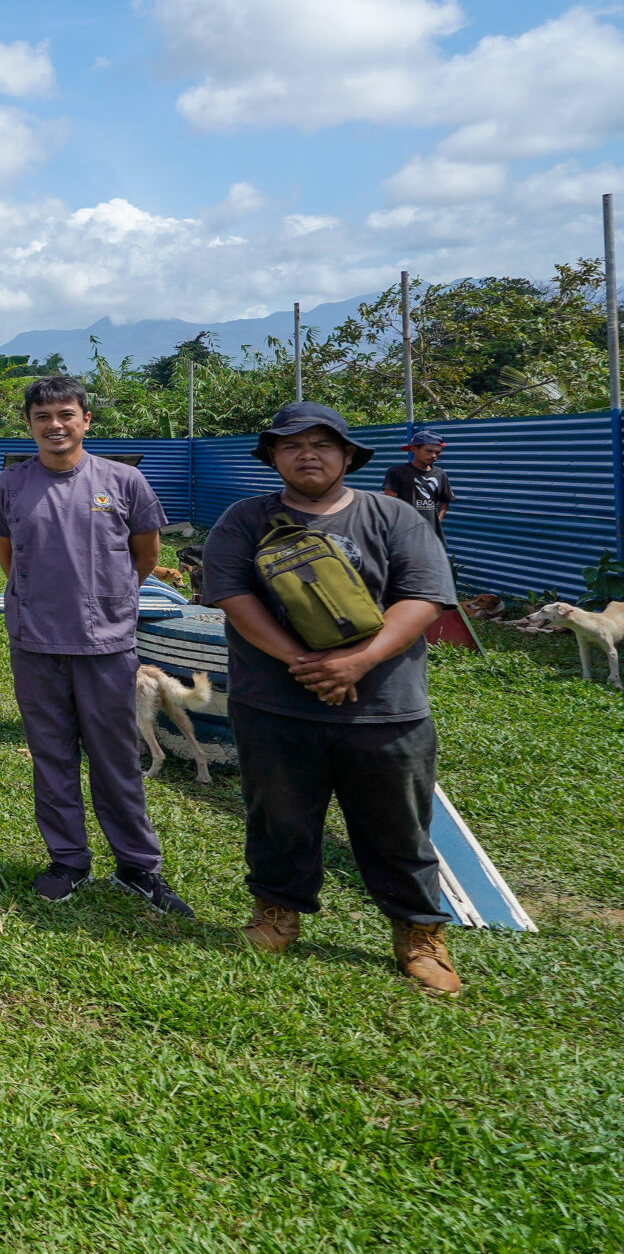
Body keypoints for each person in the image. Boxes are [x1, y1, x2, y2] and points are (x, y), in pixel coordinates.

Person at [203, 402, 463, 993]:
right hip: (274, 703)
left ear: (347, 456)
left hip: (384, 706)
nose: (307, 455)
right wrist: (301, 661)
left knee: (398, 826)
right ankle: (277, 912)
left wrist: (360, 660)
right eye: (291, 445)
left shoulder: (393, 516)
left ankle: (418, 932)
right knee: (278, 817)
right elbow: (233, 597)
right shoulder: (245, 520)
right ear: (273, 457)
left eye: (321, 444)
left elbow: (424, 596)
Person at [0, 376, 190, 915]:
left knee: (115, 757)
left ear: (86, 420)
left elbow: (146, 557)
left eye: (66, 414)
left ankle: (137, 867)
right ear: (29, 424)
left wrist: (106, 601)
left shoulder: (123, 481)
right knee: (52, 756)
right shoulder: (9, 486)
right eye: (43, 416)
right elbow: (9, 558)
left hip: (106, 645)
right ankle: (68, 861)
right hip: (36, 642)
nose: (55, 425)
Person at [382, 430, 453, 539]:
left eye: (437, 452)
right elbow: (389, 504)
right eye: (428, 451)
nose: (433, 456)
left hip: (431, 536)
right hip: (404, 535)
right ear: (414, 449)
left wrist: (436, 523)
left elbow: (445, 500)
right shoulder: (397, 472)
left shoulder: (440, 474)